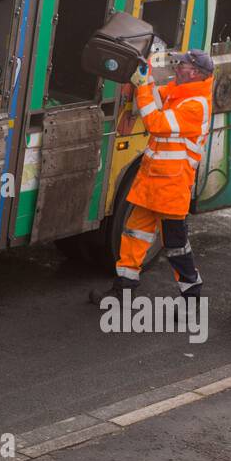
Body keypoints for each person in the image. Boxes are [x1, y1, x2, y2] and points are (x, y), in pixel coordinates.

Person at [92, 49, 215, 302]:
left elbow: (156, 124)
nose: (176, 67)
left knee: (175, 246)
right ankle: (123, 290)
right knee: (134, 235)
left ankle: (192, 297)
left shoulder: (195, 105)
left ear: (195, 73)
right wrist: (144, 78)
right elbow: (155, 97)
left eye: (182, 65)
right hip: (153, 184)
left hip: (171, 188)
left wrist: (144, 88)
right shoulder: (179, 93)